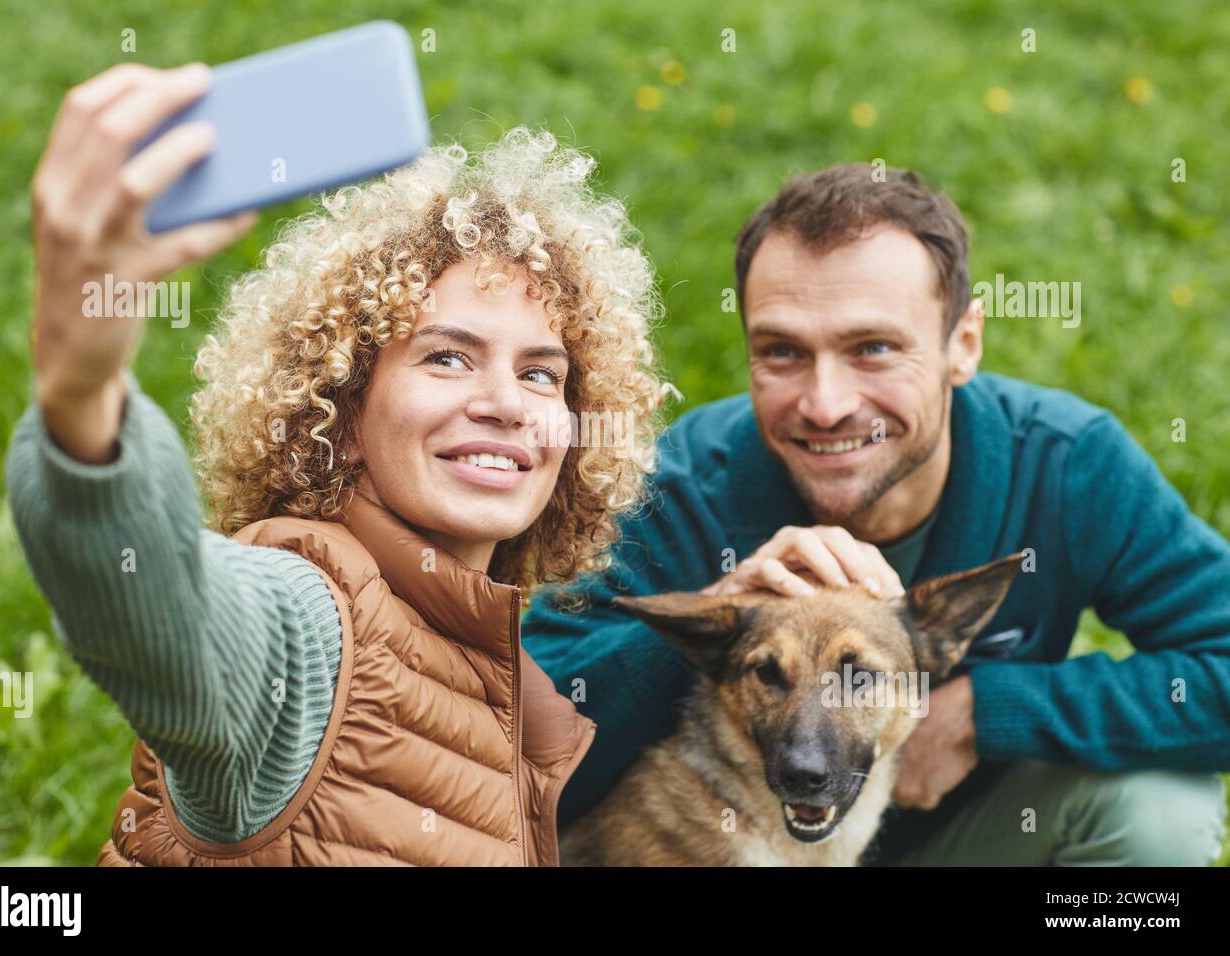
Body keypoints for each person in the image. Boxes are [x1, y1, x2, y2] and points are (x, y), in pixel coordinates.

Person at [6, 62, 667, 866]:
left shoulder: (501, 676)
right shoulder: (309, 616)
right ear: (343, 411)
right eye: (448, 359)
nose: (506, 401)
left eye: (540, 373)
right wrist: (80, 394)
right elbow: (153, 608)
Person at [523, 162, 1230, 866]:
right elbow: (506, 747)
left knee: (1159, 815)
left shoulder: (1070, 466)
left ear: (964, 344)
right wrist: (705, 621)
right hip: (728, 845)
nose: (826, 405)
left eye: (875, 349)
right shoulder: (674, 487)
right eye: (782, 351)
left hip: (959, 844)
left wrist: (986, 710)